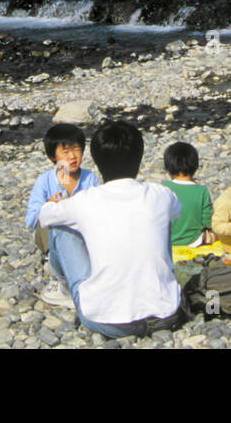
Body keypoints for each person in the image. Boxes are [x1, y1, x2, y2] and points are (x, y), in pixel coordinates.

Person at [38, 120, 189, 338]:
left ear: (98, 162)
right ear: (139, 157)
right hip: (167, 314)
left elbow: (45, 216)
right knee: (163, 218)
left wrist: (53, 203)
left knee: (60, 226)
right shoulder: (159, 194)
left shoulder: (85, 200)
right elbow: (176, 211)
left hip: (108, 321)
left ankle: (63, 288)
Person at [25, 122, 100, 306]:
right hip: (53, 238)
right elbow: (31, 219)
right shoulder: (45, 181)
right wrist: (49, 205)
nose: (73, 156)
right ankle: (59, 276)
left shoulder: (90, 178)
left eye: (76, 149)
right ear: (53, 156)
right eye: (65, 152)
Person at [160, 142, 214, 248]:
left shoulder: (163, 188)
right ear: (195, 167)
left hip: (166, 239)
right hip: (194, 241)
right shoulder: (201, 191)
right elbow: (208, 221)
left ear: (168, 169)